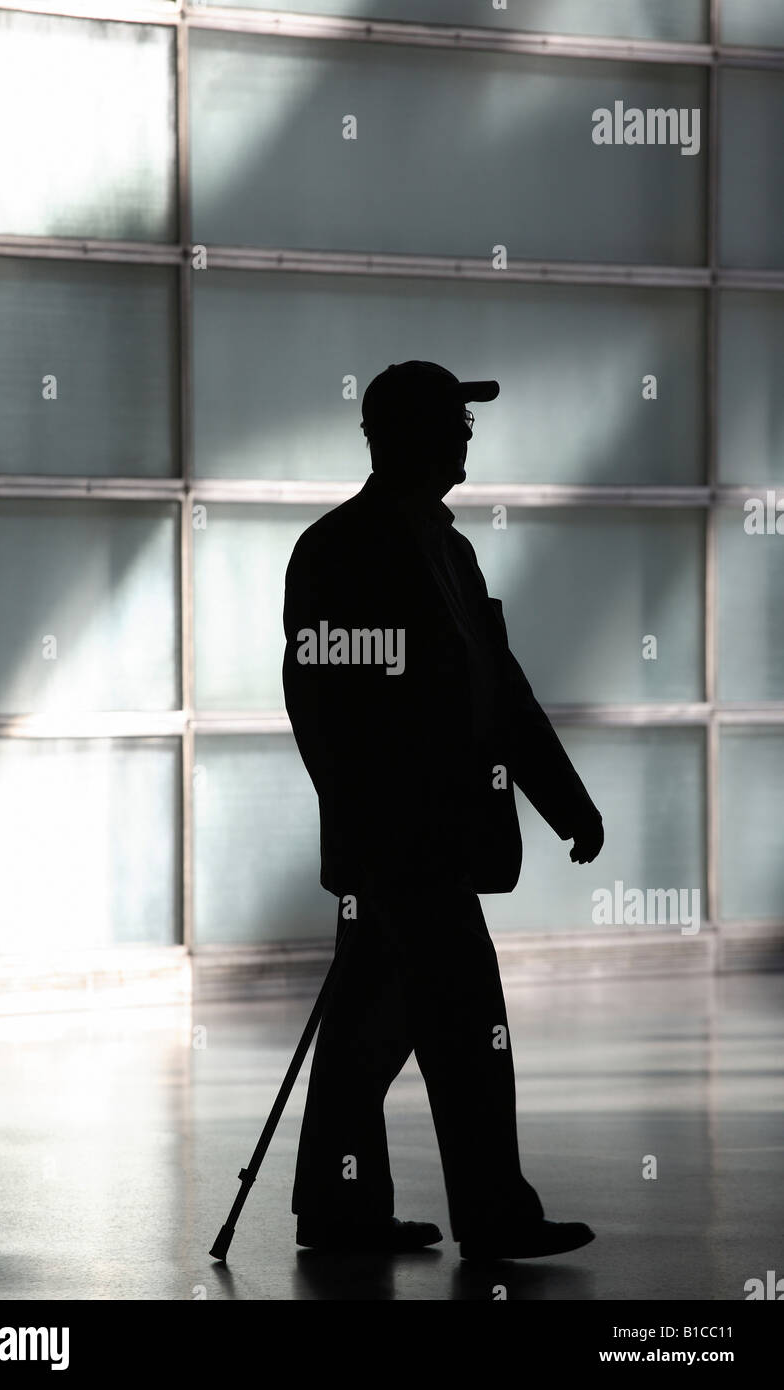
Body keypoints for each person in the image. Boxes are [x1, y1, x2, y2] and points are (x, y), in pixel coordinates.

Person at [282, 360, 604, 1261]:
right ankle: (493, 1213)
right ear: (407, 434)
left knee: (367, 1034)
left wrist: (564, 802)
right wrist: (372, 828)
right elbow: (323, 706)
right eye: (454, 420)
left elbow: (499, 690)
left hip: (421, 847)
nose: (468, 435)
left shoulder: (446, 550)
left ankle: (340, 1211)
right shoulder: (344, 549)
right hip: (402, 850)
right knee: (466, 1024)